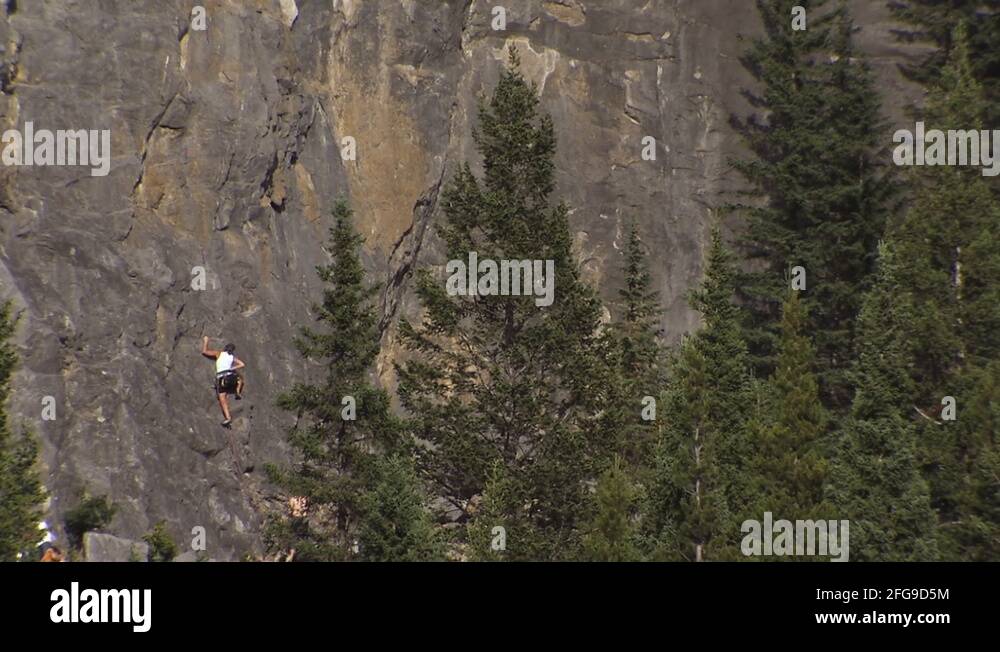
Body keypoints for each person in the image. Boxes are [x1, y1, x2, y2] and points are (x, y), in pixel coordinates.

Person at [201, 336, 246, 428]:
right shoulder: (232, 357)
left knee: (222, 399)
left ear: (225, 348)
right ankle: (237, 392)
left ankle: (228, 417)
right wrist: (232, 368)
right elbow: (242, 364)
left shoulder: (219, 354)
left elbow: (204, 352)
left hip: (222, 378)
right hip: (231, 377)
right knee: (240, 379)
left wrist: (206, 341)